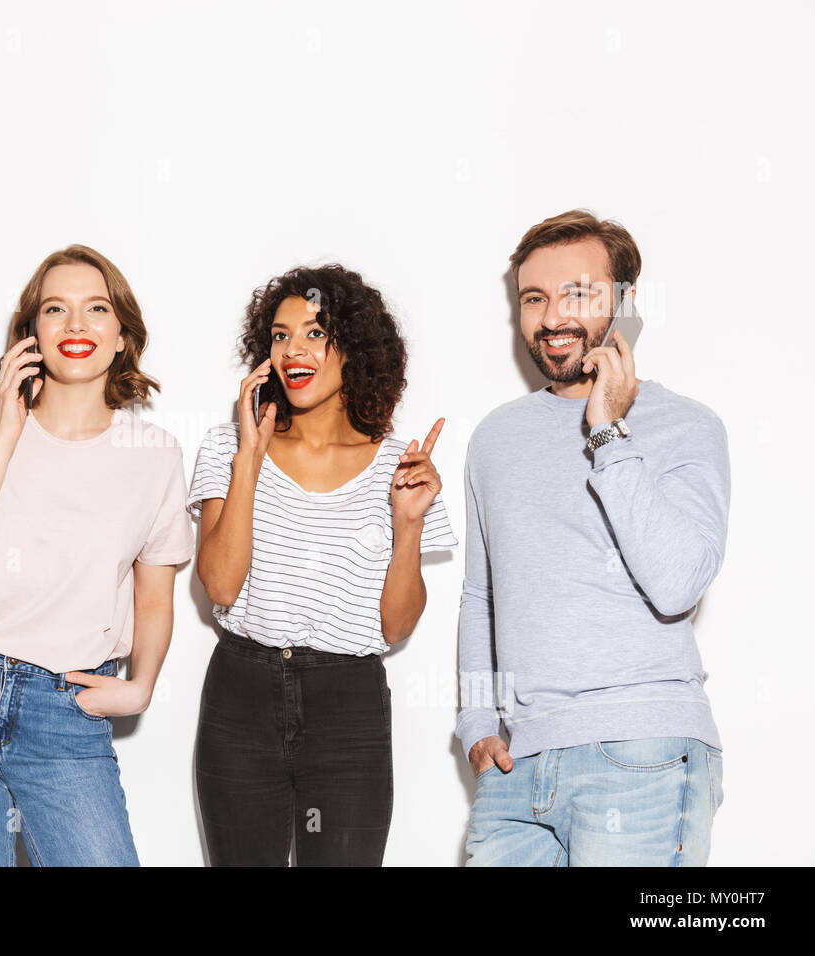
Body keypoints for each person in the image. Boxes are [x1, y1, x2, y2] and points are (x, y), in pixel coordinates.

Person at [0, 244, 193, 866]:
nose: (76, 325)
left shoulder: (155, 454)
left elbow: (154, 592)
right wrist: (8, 430)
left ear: (122, 336)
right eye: (55, 309)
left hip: (67, 711)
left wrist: (141, 687)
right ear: (31, 333)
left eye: (96, 309)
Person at [457, 209, 728, 866]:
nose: (552, 318)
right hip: (519, 764)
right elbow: (480, 597)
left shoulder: (688, 426)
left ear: (626, 305)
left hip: (646, 750)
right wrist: (474, 724)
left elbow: (678, 585)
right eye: (533, 298)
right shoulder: (495, 438)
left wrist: (607, 430)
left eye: (578, 294)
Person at [187, 263, 458, 866]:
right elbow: (221, 586)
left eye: (315, 332)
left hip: (348, 703)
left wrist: (408, 522)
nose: (294, 350)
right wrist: (249, 460)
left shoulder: (397, 463)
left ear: (355, 347)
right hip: (241, 696)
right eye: (280, 336)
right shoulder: (228, 446)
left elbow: (396, 627)